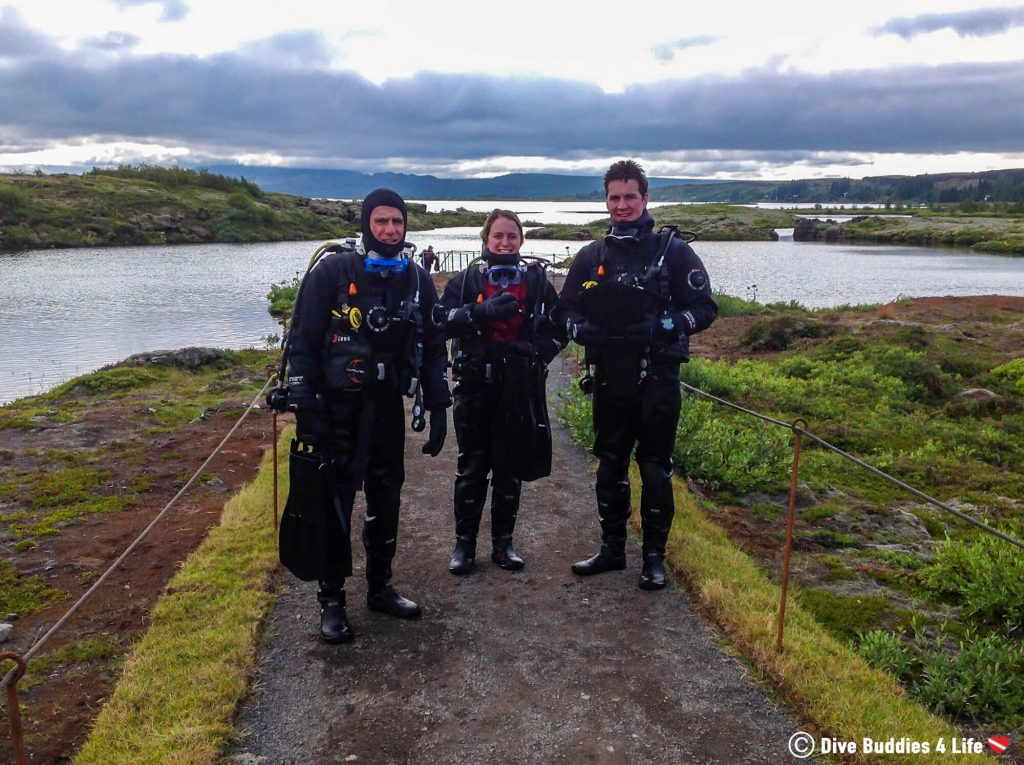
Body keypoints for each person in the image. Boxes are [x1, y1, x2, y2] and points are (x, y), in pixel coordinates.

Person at [278, 188, 452, 643]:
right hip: (336, 408)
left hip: (386, 408)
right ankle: (331, 600)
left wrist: (438, 406)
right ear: (365, 224)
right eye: (381, 222)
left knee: (386, 495)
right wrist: (307, 406)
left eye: (397, 222)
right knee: (336, 499)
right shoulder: (334, 271)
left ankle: (381, 587)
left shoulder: (416, 278)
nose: (390, 231)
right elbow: (302, 341)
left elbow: (433, 348)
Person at [556, 160, 717, 590]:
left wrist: (665, 325)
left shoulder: (674, 252)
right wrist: (579, 329)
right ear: (606, 200)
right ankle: (612, 550)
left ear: (645, 198)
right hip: (610, 377)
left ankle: (653, 559)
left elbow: (705, 309)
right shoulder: (592, 256)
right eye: (614, 197)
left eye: (630, 196)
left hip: (658, 379)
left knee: (655, 470)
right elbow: (566, 308)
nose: (622, 205)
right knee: (610, 465)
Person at [439, 210, 562, 575]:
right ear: (486, 239)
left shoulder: (538, 283)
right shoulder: (464, 282)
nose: (505, 242)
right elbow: (439, 324)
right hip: (475, 387)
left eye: (512, 236)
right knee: (472, 467)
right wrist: (477, 313)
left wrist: (538, 352)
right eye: (498, 236)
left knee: (510, 466)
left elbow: (559, 328)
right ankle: (464, 546)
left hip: (519, 388)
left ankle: (503, 544)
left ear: (521, 241)